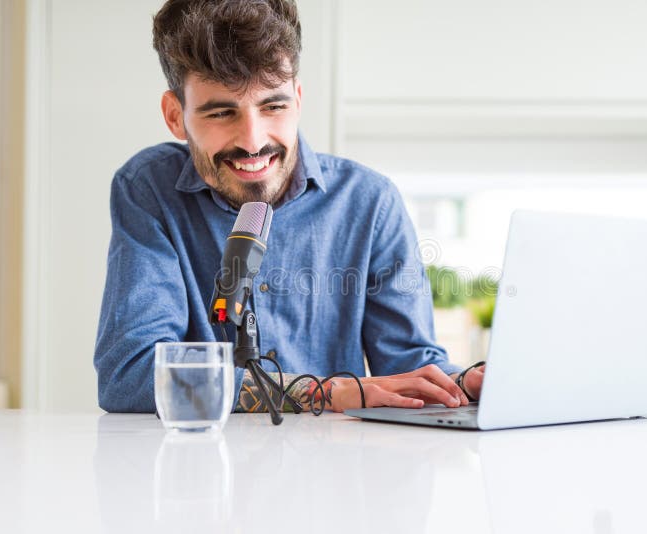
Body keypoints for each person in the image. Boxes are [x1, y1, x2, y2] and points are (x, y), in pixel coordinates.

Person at [93, 0, 485, 413]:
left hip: (341, 471)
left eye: (273, 106)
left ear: (297, 100)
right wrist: (324, 393)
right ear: (176, 116)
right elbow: (130, 375)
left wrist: (464, 383)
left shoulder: (370, 202)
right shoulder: (149, 190)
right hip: (204, 470)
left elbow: (409, 366)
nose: (252, 140)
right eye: (223, 112)